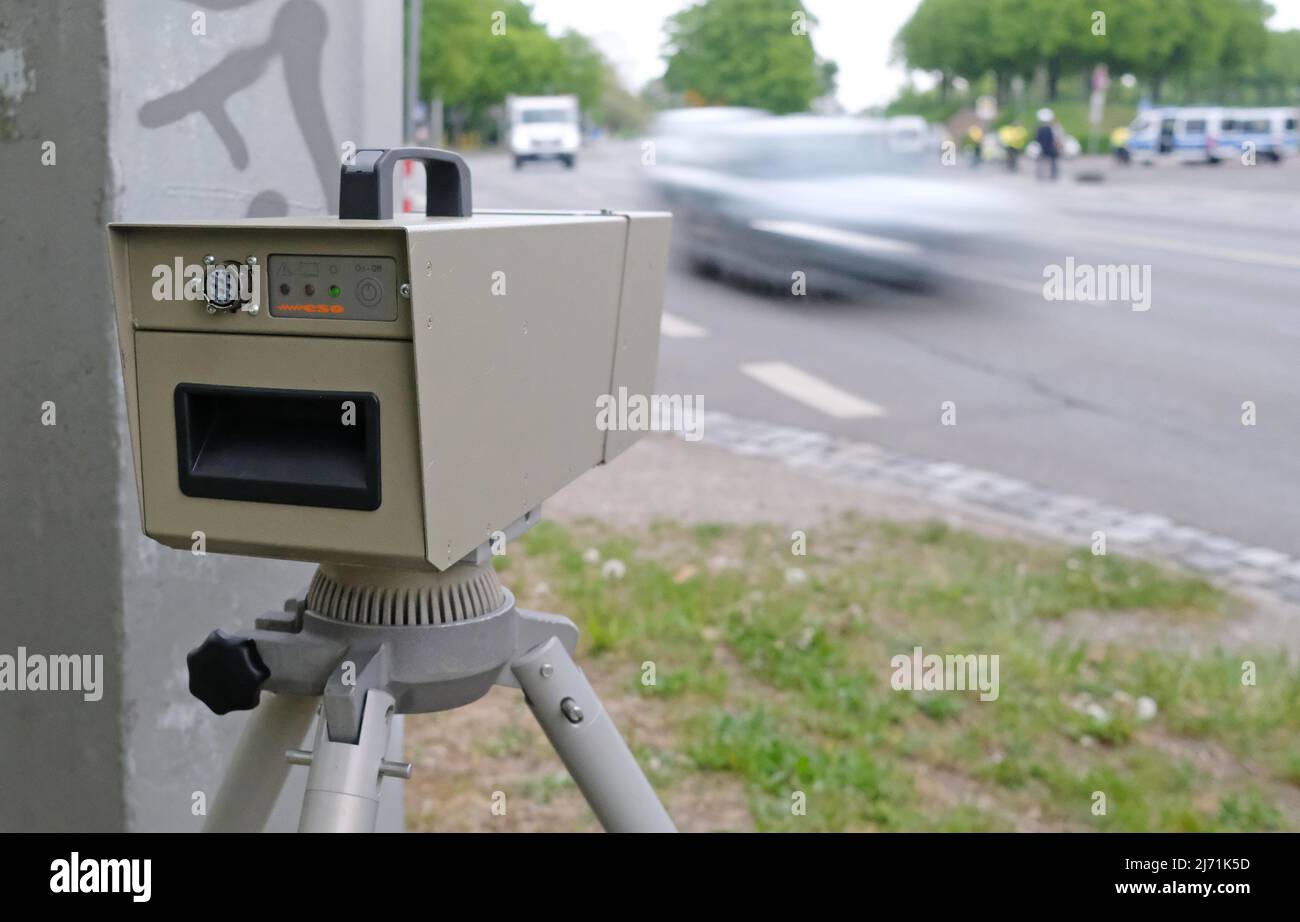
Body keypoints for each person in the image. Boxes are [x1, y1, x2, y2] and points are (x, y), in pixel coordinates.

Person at [1035, 108, 1059, 181]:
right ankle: (1053, 175)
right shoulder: (1051, 128)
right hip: (1050, 147)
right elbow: (1054, 138)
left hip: (1042, 147)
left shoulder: (1039, 128)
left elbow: (1037, 138)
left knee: (1041, 161)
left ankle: (1040, 175)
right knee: (1053, 161)